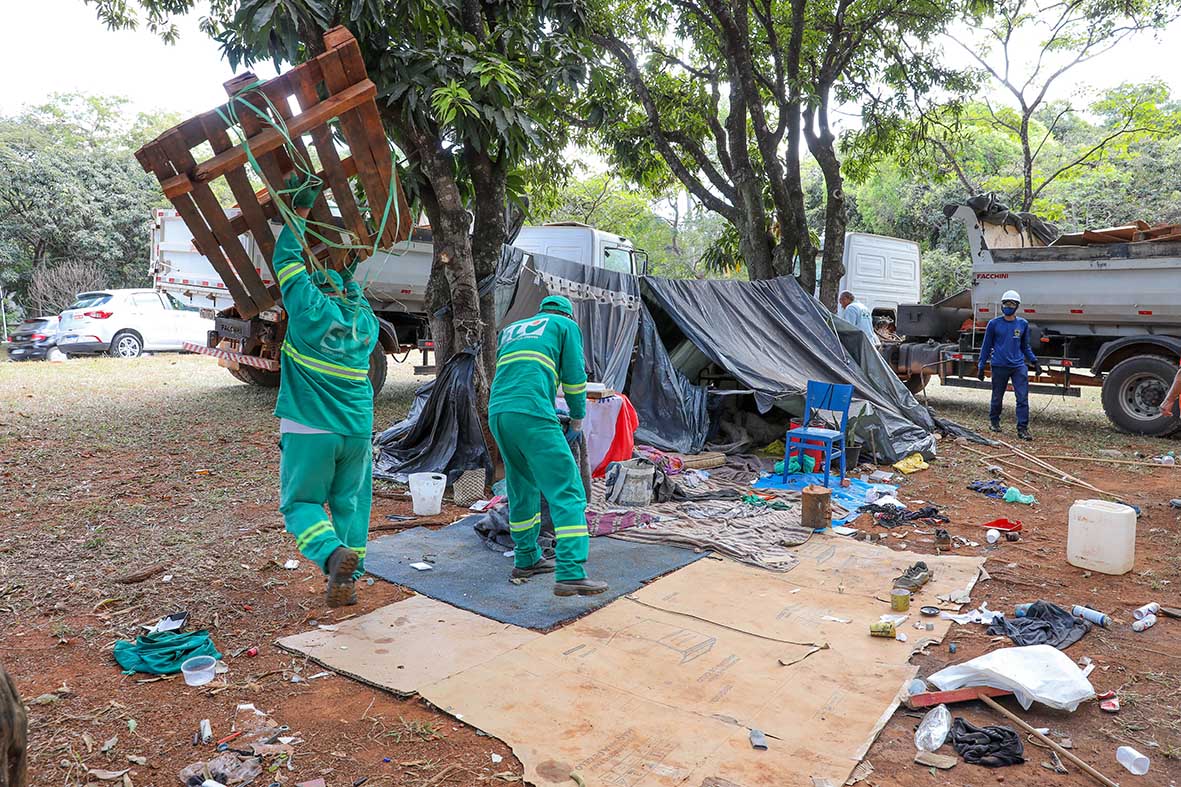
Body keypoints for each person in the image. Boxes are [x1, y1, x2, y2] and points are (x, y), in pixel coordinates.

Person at [274, 174, 378, 607]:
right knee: (350, 504)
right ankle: (348, 581)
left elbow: (286, 259)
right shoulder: (366, 325)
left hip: (309, 427)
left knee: (301, 504)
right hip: (356, 433)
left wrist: (298, 210)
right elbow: (355, 293)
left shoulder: (307, 309)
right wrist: (348, 275)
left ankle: (332, 555)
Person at [488, 294, 607, 597]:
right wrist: (578, 419)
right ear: (567, 315)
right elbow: (575, 378)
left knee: (522, 486)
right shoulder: (565, 327)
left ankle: (526, 558)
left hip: (499, 413)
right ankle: (570, 572)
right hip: (532, 414)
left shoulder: (514, 328)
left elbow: (517, 374)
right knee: (567, 490)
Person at [977, 289, 1040, 440]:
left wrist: (1034, 361)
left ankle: (1022, 429)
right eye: (1005, 303)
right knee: (997, 397)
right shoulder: (993, 324)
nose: (1008, 306)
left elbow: (1025, 346)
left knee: (1022, 398)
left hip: (1018, 366)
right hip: (999, 365)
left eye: (1011, 304)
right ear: (1001, 305)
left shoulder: (1022, 324)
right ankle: (994, 421)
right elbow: (986, 346)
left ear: (1017, 306)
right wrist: (981, 366)